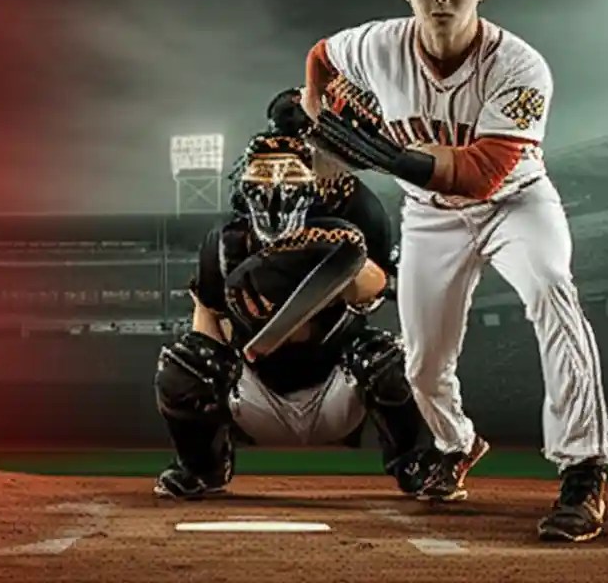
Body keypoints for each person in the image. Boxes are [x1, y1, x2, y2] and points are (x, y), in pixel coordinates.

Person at [300, 0, 608, 542]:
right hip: (428, 215)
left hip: (515, 202)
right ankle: (456, 443)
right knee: (422, 364)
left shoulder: (520, 66)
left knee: (551, 287)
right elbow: (320, 58)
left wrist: (384, 155)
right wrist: (318, 120)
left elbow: (481, 172)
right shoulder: (376, 45)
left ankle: (583, 468)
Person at [153, 93, 431, 500]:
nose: (276, 183)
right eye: (265, 170)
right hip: (256, 387)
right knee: (184, 361)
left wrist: (338, 254)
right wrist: (204, 365)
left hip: (336, 380)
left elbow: (375, 289)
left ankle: (414, 461)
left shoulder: (357, 212)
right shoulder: (226, 242)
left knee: (390, 357)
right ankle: (202, 467)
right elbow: (207, 316)